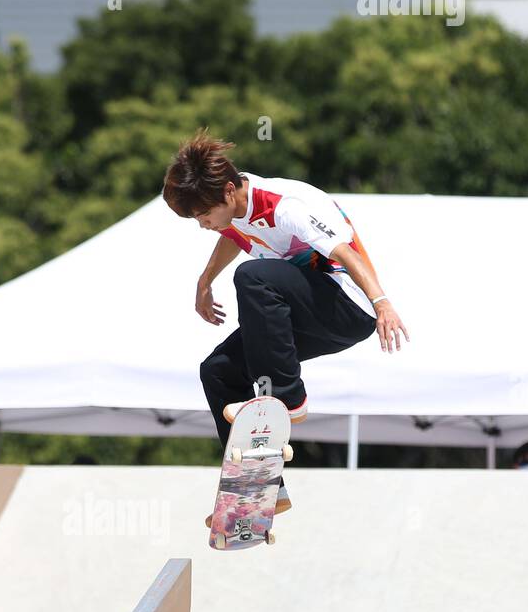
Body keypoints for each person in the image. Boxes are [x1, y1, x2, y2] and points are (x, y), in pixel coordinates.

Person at [162, 132, 407, 521]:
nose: (203, 225)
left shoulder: (285, 204)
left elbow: (344, 251)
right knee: (218, 371)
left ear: (228, 192)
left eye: (202, 215)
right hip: (304, 318)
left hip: (347, 306)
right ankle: (258, 488)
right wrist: (204, 281)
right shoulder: (231, 213)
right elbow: (233, 234)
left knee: (254, 277)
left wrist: (382, 303)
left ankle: (289, 399)